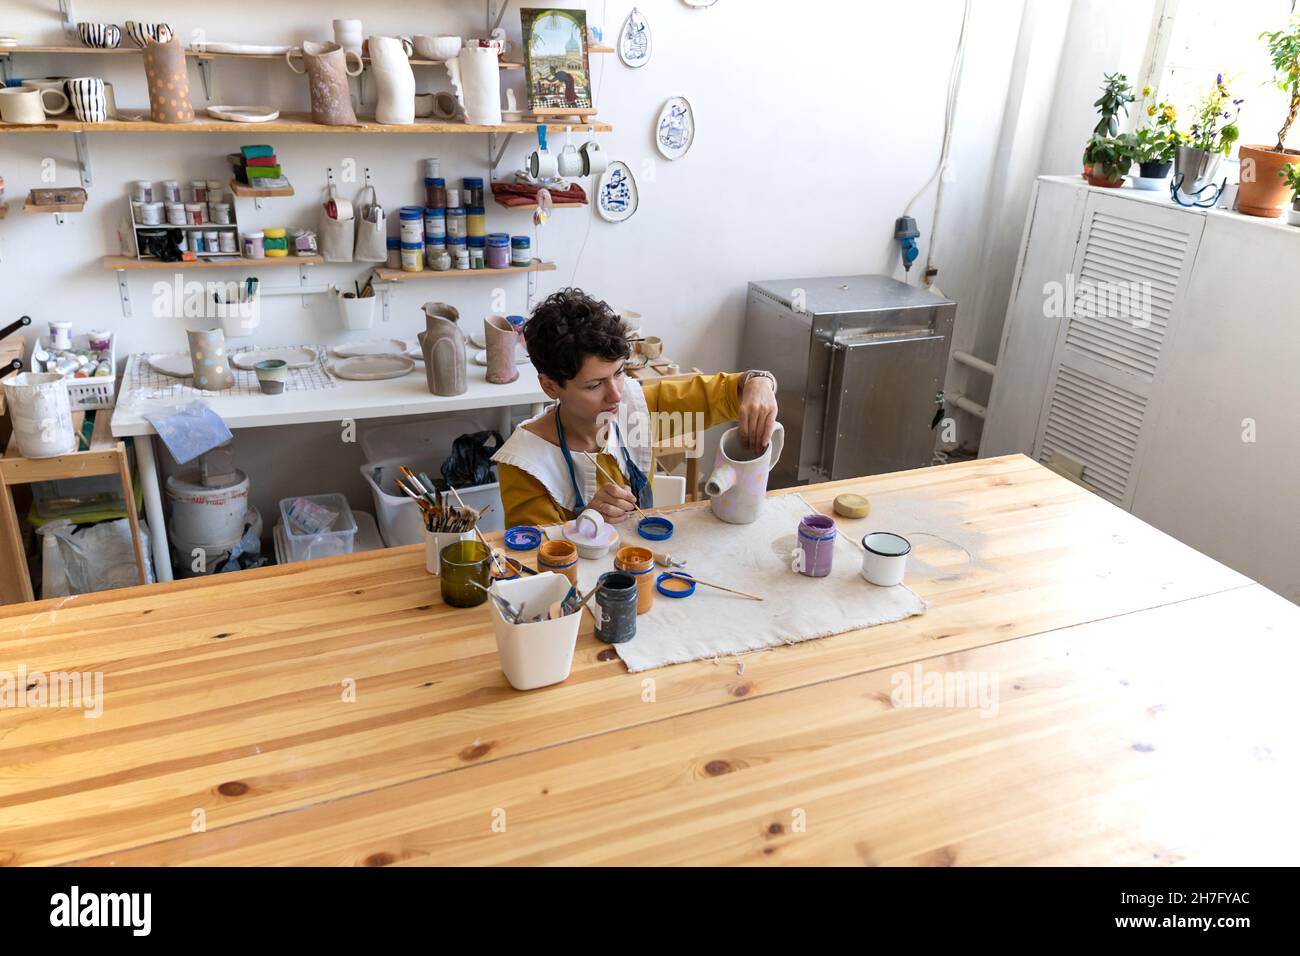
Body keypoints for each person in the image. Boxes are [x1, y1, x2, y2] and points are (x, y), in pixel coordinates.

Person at [494, 288, 779, 529]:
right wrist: (586, 521)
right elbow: (535, 561)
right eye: (594, 385)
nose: (615, 394)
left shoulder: (636, 408)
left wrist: (758, 382)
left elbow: (726, 393)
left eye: (618, 373)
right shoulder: (526, 464)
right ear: (550, 386)